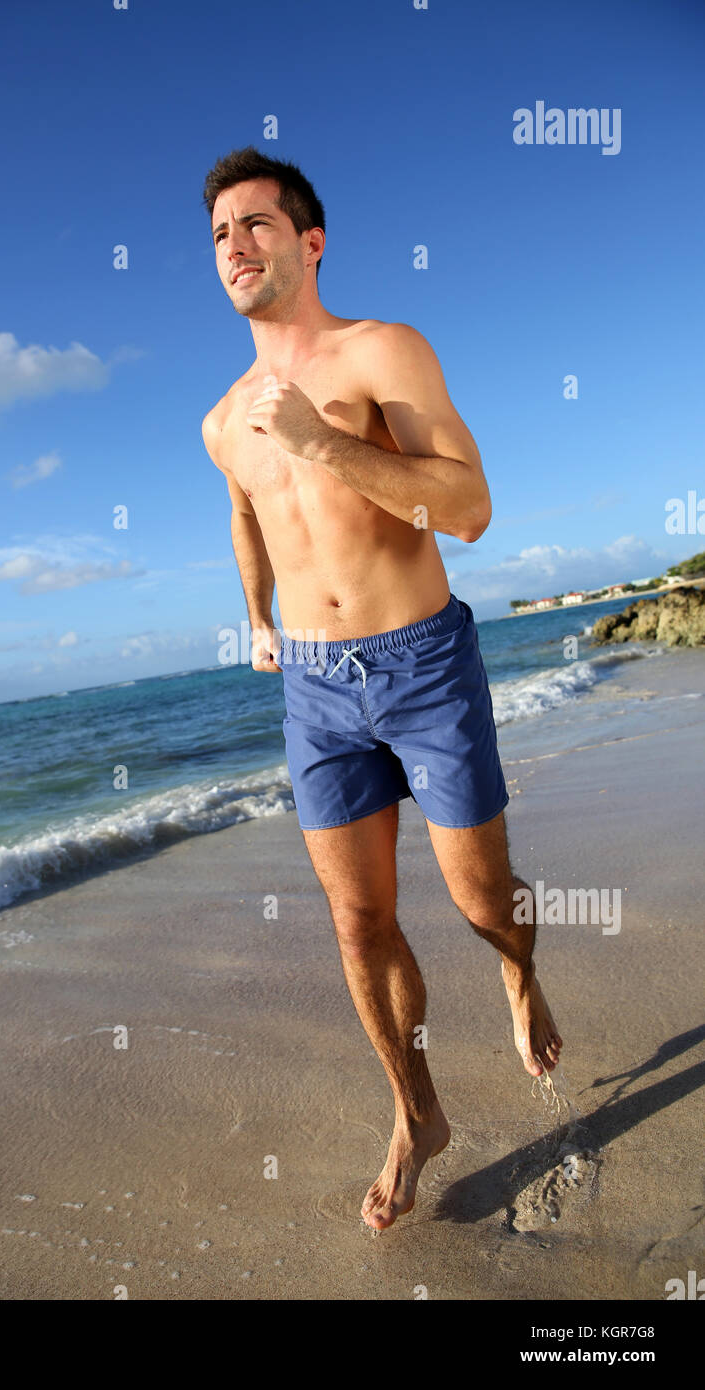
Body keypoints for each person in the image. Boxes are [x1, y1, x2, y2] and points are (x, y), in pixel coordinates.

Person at [200, 146, 562, 1230]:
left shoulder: (380, 351)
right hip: (313, 689)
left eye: (256, 225)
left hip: (421, 662)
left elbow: (466, 507)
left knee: (480, 902)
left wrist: (324, 442)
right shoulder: (220, 420)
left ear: (309, 243)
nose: (234, 246)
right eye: (218, 233)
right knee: (358, 927)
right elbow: (245, 511)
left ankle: (514, 972)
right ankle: (416, 1113)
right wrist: (259, 620)